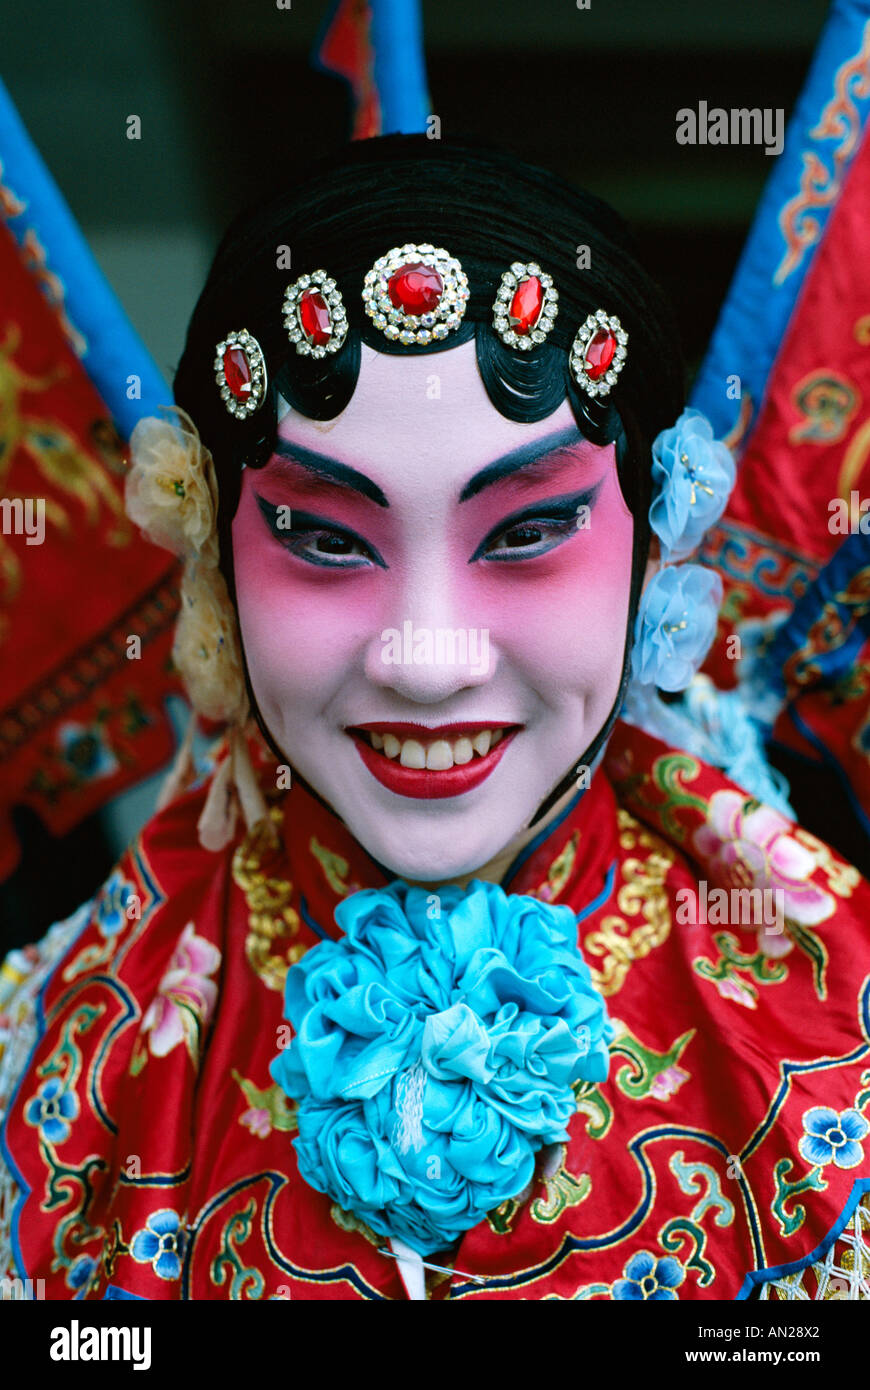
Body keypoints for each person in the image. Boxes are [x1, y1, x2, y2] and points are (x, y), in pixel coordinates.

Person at [1, 133, 868, 1302]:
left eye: (526, 532)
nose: (425, 660)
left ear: (657, 548)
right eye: (321, 537)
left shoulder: (837, 1031)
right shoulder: (34, 1058)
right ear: (212, 560)